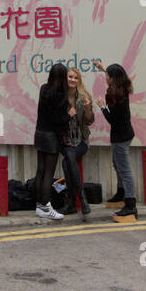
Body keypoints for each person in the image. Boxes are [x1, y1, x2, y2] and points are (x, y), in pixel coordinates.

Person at [95, 61, 137, 221]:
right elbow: (118, 75)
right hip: (124, 134)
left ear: (112, 79)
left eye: (106, 76)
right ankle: (121, 194)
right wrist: (103, 68)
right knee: (117, 164)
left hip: (120, 137)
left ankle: (130, 206)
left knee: (124, 170)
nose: (105, 77)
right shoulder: (122, 88)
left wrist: (102, 106)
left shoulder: (115, 95)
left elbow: (112, 119)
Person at [33, 63, 71, 220]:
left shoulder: (44, 89)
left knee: (40, 171)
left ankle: (39, 205)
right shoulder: (61, 94)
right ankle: (46, 206)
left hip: (39, 134)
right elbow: (58, 120)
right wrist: (70, 115)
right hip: (51, 137)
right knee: (49, 173)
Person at [60, 66, 95, 220]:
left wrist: (87, 109)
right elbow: (55, 121)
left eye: (75, 77)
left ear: (79, 81)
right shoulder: (59, 97)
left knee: (68, 159)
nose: (72, 80)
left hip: (81, 141)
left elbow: (89, 121)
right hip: (66, 141)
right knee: (68, 157)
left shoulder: (83, 97)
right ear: (65, 79)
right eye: (70, 77)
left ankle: (74, 202)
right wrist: (67, 115)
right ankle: (81, 200)